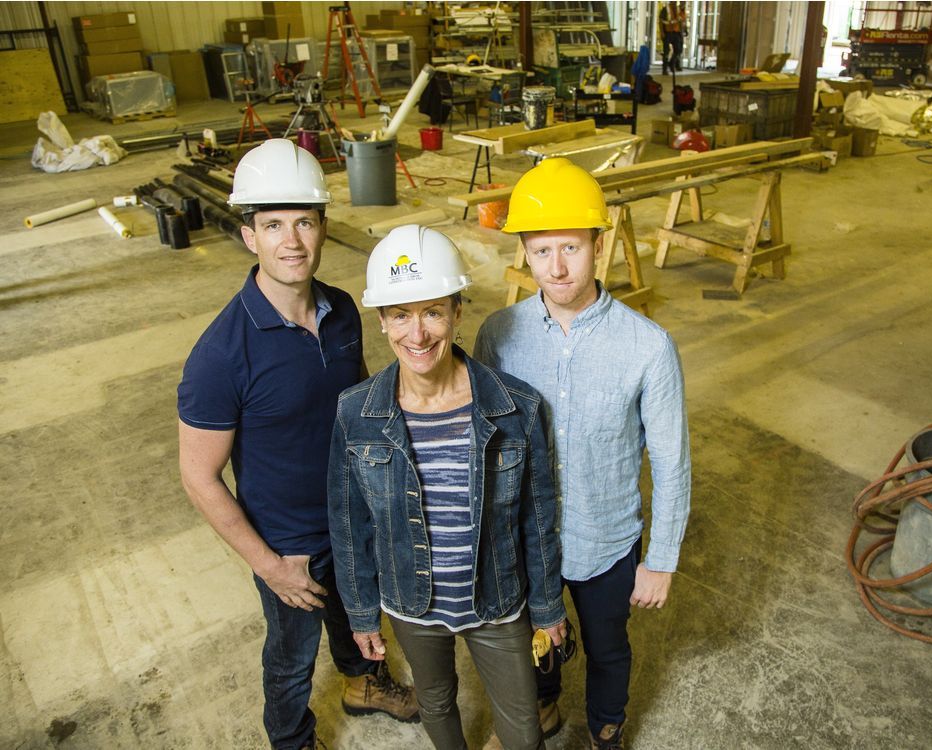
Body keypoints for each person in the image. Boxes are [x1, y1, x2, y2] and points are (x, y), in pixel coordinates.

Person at [177, 138, 418, 750]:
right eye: (273, 224)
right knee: (290, 658)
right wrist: (268, 564)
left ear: (322, 227)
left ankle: (364, 684)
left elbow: (357, 400)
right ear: (248, 236)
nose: (291, 241)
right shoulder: (219, 356)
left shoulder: (340, 309)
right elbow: (199, 477)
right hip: (287, 545)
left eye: (304, 222)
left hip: (350, 519)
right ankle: (291, 739)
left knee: (358, 616)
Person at [474, 158, 691, 750]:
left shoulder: (647, 346)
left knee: (608, 647)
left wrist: (662, 558)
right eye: (542, 251)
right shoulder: (499, 333)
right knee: (535, 641)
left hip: (607, 539)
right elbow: (486, 442)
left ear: (601, 242)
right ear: (524, 251)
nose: (558, 267)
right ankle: (543, 707)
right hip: (527, 537)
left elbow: (671, 462)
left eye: (571, 247)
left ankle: (606, 731)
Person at [328, 225, 567, 750]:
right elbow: (350, 525)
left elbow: (538, 515)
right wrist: (362, 613)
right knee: (436, 701)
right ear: (383, 322)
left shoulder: (515, 407)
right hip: (412, 603)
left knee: (523, 729)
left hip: (496, 598)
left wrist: (548, 607)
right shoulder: (356, 413)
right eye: (400, 315)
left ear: (458, 312)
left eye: (433, 311)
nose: (418, 335)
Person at [659, 0, 687, 74]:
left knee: (678, 50)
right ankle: (664, 70)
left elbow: (682, 20)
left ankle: (672, 63)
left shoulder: (678, 10)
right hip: (667, 33)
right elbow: (661, 21)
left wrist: (683, 31)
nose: (674, 3)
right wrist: (662, 32)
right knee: (666, 52)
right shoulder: (666, 9)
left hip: (676, 32)